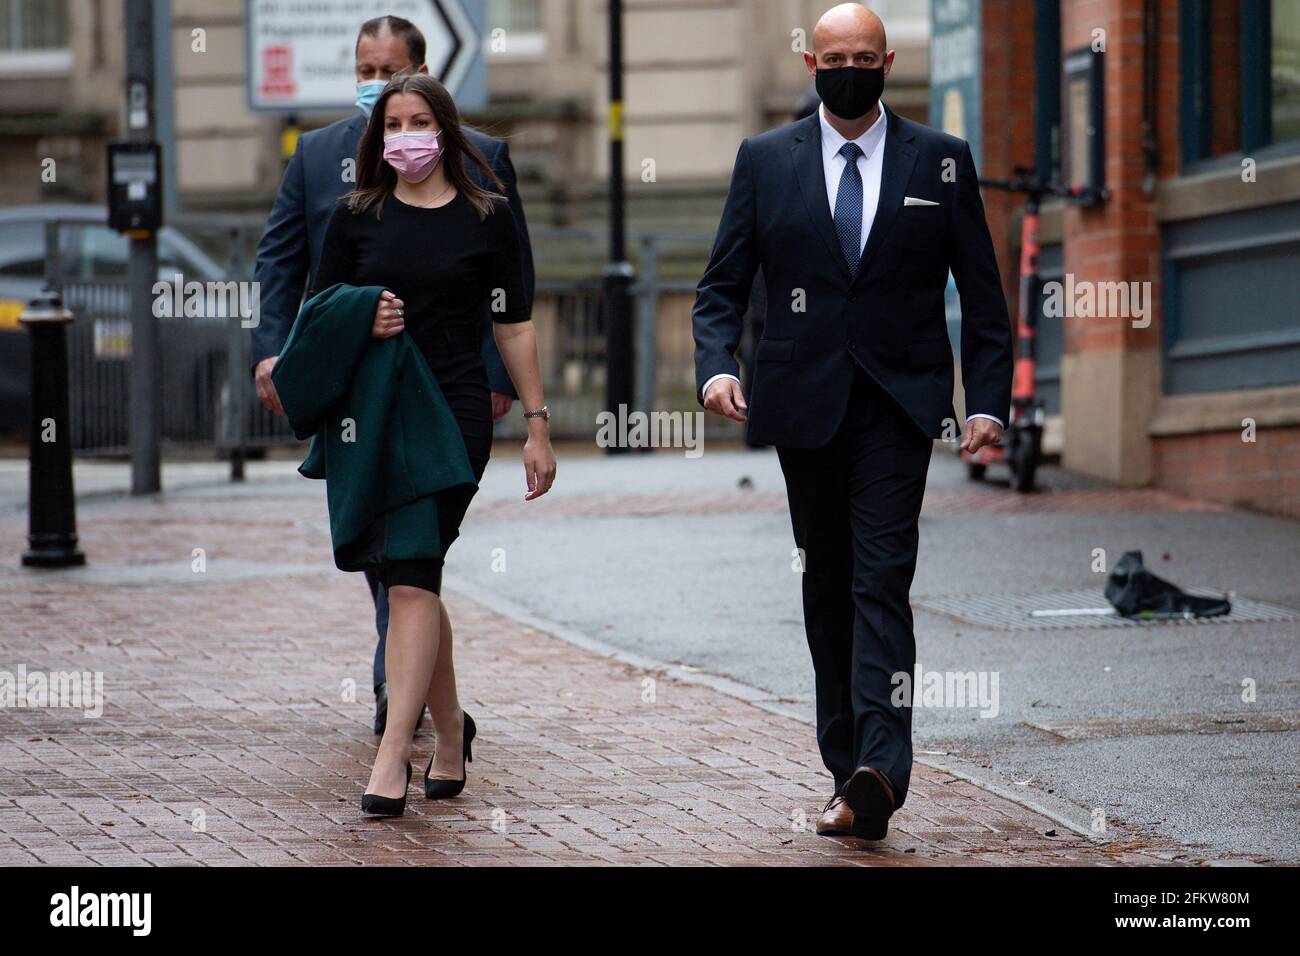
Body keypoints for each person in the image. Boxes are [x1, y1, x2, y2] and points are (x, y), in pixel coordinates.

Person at [692, 3, 1012, 842]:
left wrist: (985, 403)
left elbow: (982, 295)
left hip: (899, 406)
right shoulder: (765, 160)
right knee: (827, 585)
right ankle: (847, 768)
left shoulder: (939, 161)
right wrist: (718, 366)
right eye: (834, 55)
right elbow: (721, 285)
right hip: (804, 406)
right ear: (809, 63)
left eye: (863, 55)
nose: (848, 67)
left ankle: (882, 765)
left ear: (888, 62)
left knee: (881, 578)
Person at [249, 15, 536, 736]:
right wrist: (277, 351)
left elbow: (506, 292)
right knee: (399, 559)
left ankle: (394, 703)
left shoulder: (483, 158)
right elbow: (285, 262)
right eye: (365, 73)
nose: (375, 88)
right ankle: (445, 729)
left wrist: (511, 385)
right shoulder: (318, 159)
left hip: (450, 387)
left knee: (411, 559)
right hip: (361, 389)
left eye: (389, 73)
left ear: (423, 74)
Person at [300, 72, 555, 815]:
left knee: (411, 573)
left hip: (457, 414)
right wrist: (361, 316)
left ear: (444, 129)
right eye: (392, 124)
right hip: (378, 411)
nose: (405, 135)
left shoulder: (488, 216)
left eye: (418, 120)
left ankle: (391, 758)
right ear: (378, 139)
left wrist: (537, 426)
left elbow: (513, 324)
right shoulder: (355, 216)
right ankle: (449, 735)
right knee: (417, 573)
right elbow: (318, 315)